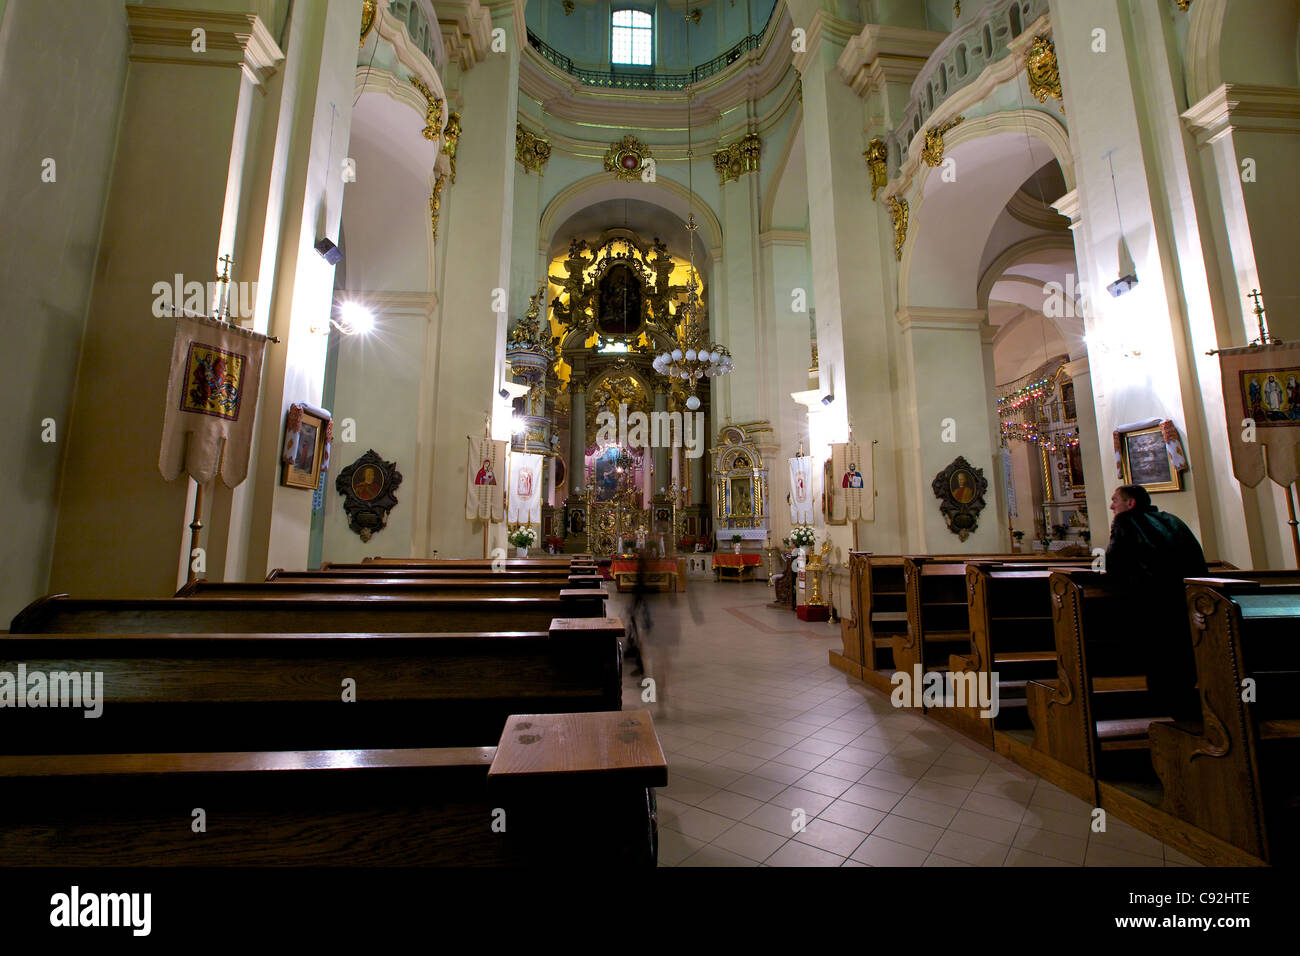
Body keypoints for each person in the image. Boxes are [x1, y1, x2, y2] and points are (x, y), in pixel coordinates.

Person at [1103, 483, 1208, 720]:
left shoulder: (1125, 522)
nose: (1112, 506)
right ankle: (1187, 710)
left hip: (1150, 603)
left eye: (1115, 500)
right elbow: (1196, 558)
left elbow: (1114, 563)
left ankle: (1169, 714)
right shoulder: (1172, 520)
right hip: (1184, 600)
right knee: (1180, 658)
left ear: (1130, 504)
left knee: (1160, 661)